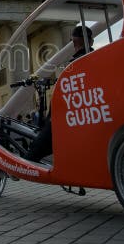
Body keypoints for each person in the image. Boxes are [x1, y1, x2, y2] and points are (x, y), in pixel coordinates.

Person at [23, 25, 94, 164]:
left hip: (74, 111)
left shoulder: (74, 63)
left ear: (73, 42)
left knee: (44, 137)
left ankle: (25, 163)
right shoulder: (97, 57)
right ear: (91, 42)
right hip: (92, 108)